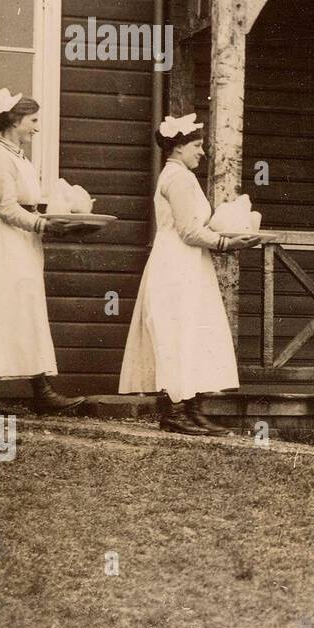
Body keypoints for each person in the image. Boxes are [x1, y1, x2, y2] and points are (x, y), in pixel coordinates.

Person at [0, 89, 87, 415]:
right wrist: (45, 226)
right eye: (33, 120)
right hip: (4, 242)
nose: (37, 127)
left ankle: (28, 392)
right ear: (14, 121)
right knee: (5, 309)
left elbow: (28, 203)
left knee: (24, 310)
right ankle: (21, 392)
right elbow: (8, 209)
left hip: (23, 241)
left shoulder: (19, 157)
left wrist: (56, 217)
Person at [119, 114, 259, 435]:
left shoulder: (181, 175)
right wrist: (227, 242)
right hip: (177, 265)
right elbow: (188, 231)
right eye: (196, 145)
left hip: (190, 264)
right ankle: (175, 411)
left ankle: (193, 409)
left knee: (194, 333)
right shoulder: (178, 178)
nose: (202, 152)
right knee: (178, 333)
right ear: (178, 147)